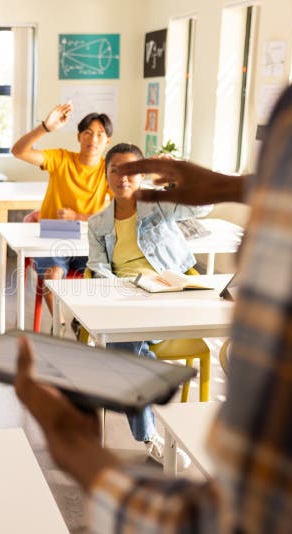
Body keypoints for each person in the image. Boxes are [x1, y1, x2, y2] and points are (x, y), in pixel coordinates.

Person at [14, 0, 292, 531]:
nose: (95, 143)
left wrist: (84, 457)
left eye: (102, 137)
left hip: (163, 287)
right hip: (90, 254)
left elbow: (278, 510)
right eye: (89, 137)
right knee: (59, 268)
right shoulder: (69, 168)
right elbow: (75, 228)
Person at [87, 142, 211, 468]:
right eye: (115, 170)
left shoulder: (159, 205)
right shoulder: (97, 223)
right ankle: (148, 435)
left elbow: (202, 206)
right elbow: (97, 265)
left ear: (141, 176)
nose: (122, 178)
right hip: (126, 294)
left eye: (131, 171)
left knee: (122, 352)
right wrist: (114, 287)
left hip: (168, 290)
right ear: (106, 174)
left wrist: (178, 174)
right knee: (124, 344)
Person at [11, 102, 112, 315]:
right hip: (53, 236)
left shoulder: (108, 170)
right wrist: (44, 128)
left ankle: (87, 325)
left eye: (100, 135)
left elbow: (119, 210)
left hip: (88, 240)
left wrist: (79, 216)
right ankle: (61, 327)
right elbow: (18, 151)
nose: (93, 139)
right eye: (88, 132)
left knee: (104, 276)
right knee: (53, 273)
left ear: (107, 141)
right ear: (78, 137)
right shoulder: (61, 159)